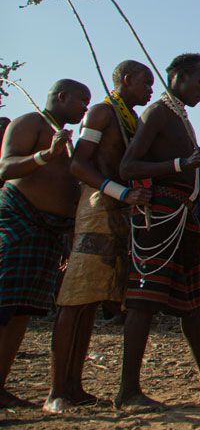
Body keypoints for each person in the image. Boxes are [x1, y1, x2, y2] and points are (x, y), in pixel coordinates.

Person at [116, 52, 200, 409]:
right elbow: (128, 166)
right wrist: (182, 163)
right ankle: (128, 390)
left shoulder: (177, 116)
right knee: (143, 300)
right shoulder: (158, 113)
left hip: (184, 214)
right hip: (159, 216)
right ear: (179, 78)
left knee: (192, 302)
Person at [45, 62, 154, 413]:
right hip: (96, 209)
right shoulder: (102, 113)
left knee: (92, 301)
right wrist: (121, 192)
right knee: (75, 300)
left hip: (120, 213)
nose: (150, 90)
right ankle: (56, 391)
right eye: (145, 83)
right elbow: (79, 164)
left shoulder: (130, 120)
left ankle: (74, 387)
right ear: (126, 80)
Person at [0, 79, 89, 408]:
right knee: (4, 305)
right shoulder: (30, 123)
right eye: (81, 101)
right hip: (20, 221)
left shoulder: (66, 138)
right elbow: (6, 167)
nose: (85, 109)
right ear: (61, 97)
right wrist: (45, 155)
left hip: (50, 232)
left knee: (23, 308)